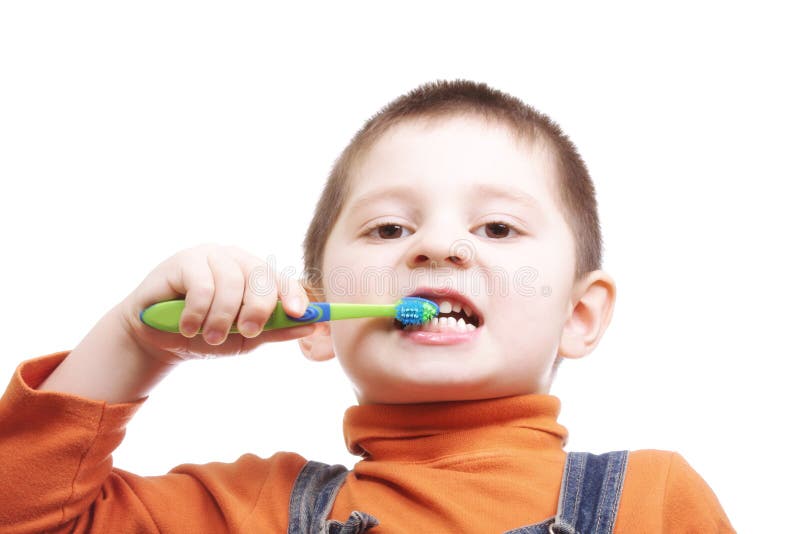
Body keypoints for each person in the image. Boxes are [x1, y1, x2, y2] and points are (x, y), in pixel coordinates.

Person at [0, 79, 735, 533]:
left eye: (497, 228)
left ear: (580, 315)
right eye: (388, 229)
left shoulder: (654, 503)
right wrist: (135, 342)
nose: (438, 245)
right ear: (313, 316)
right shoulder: (247, 512)